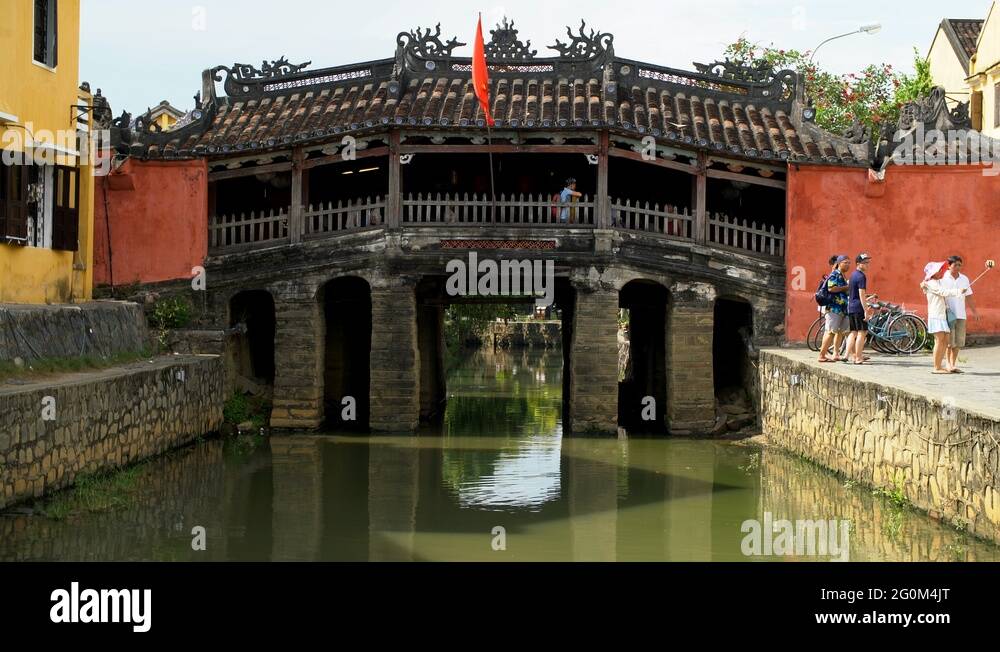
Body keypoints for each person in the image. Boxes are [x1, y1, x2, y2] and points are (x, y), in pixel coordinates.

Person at [920, 261, 968, 374]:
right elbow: (943, 292)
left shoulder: (936, 282)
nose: (942, 271)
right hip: (936, 315)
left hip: (941, 315)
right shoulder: (932, 283)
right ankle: (936, 367)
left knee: (945, 340)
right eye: (939, 270)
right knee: (939, 340)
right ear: (934, 273)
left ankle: (941, 366)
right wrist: (959, 291)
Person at [941, 255, 978, 373]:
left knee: (958, 341)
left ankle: (953, 364)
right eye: (955, 265)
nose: (958, 267)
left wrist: (974, 311)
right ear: (949, 265)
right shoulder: (943, 278)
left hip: (961, 314)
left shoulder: (964, 279)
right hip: (948, 313)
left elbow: (969, 296)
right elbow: (940, 295)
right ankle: (947, 364)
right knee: (949, 341)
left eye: (960, 265)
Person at [818, 255, 851, 363]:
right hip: (834, 308)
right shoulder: (835, 274)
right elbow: (831, 288)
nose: (848, 265)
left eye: (849, 263)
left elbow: (843, 291)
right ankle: (822, 355)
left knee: (840, 332)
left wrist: (848, 289)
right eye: (845, 262)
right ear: (839, 263)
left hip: (842, 308)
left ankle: (835, 354)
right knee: (830, 331)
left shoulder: (843, 275)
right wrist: (846, 287)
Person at [845, 253, 874, 365]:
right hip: (858, 307)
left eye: (868, 263)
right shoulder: (861, 276)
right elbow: (862, 294)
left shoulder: (853, 275)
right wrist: (866, 310)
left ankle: (848, 355)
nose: (867, 265)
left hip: (851, 306)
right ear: (858, 264)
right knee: (862, 332)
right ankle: (858, 357)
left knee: (853, 332)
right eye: (865, 263)